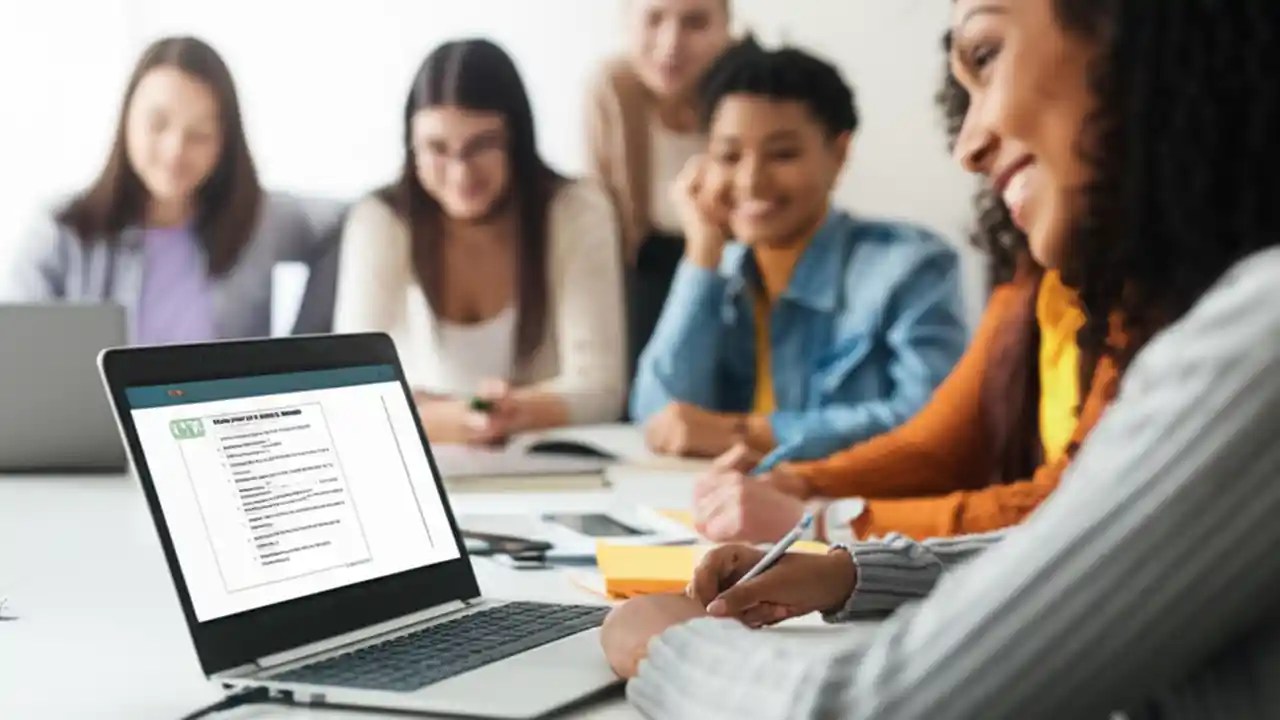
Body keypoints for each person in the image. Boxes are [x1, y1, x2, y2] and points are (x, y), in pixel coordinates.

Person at [600, 0, 1280, 716]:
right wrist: (847, 572)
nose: (967, 146)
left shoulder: (1258, 333)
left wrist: (669, 647)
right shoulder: (1170, 296)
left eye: (986, 56)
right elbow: (1102, 547)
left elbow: (877, 708)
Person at [689, 61, 1119, 544]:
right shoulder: (1033, 279)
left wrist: (820, 517)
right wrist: (799, 482)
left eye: (989, 61)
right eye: (727, 155)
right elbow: (942, 441)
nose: (967, 149)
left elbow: (1067, 506)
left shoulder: (910, 263)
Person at [630, 40, 968, 468]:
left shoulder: (910, 267)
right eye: (729, 156)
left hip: (851, 519)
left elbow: (935, 423)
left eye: (782, 154)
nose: (751, 181)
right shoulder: (721, 272)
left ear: (839, 153)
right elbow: (659, 415)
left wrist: (748, 433)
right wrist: (701, 251)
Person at [334, 39, 627, 446]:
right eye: (437, 148)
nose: (460, 173)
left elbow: (602, 390)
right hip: (426, 455)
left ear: (515, 140)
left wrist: (510, 413)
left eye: (481, 145)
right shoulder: (382, 220)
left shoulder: (575, 210)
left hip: (544, 458)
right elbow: (347, 391)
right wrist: (460, 419)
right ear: (411, 147)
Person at [0, 36, 345, 343]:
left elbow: (355, 219)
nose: (175, 151)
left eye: (200, 134)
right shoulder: (61, 230)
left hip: (223, 413)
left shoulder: (262, 219)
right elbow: (17, 354)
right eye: (158, 124)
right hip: (93, 416)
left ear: (225, 143)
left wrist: (303, 347)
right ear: (126, 122)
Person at [585, 0, 734, 378]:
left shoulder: (749, 88)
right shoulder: (611, 89)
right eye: (653, 19)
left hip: (733, 272)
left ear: (727, 26)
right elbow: (600, 216)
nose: (671, 44)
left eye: (695, 23)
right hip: (639, 272)